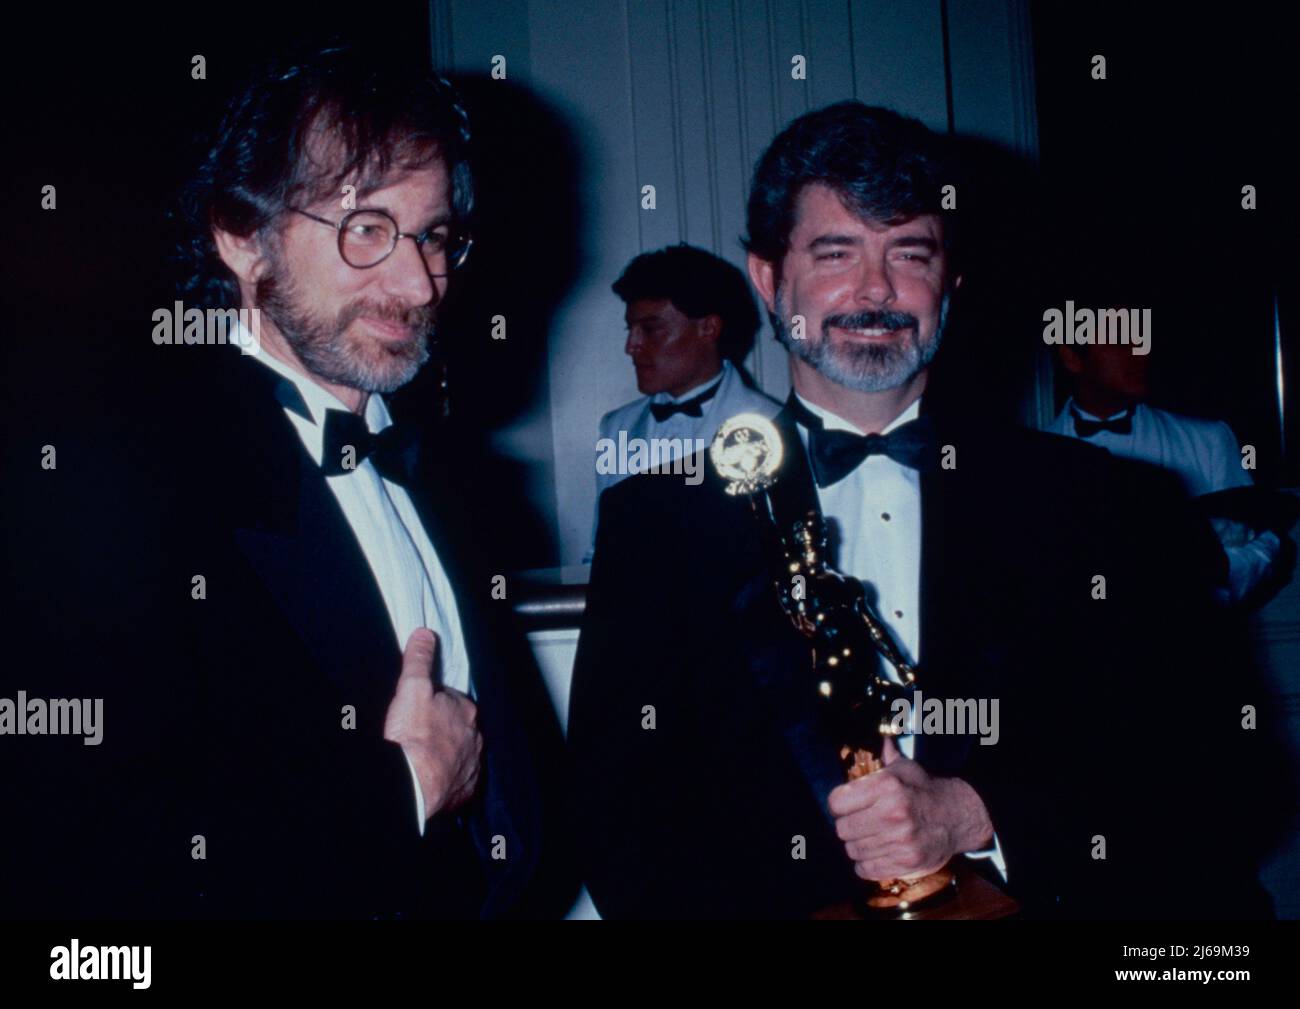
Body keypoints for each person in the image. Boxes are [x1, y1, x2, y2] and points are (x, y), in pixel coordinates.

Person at [568, 101, 1271, 919]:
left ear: (952, 281)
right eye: (837, 252)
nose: (876, 290)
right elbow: (617, 820)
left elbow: (1208, 775)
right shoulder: (657, 522)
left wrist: (978, 812)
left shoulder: (1102, 502)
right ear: (769, 278)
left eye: (910, 253)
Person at [8, 43, 571, 919]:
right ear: (241, 237)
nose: (417, 281)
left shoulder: (443, 472)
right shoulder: (111, 474)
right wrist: (407, 791)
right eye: (366, 228)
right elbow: (75, 844)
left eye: (433, 237)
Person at [1049, 339, 1282, 605]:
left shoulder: (1208, 440)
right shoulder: (1033, 463)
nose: (1141, 352)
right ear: (1071, 358)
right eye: (1119, 342)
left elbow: (1264, 543)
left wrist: (1208, 582)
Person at [587, 245, 778, 560]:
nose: (631, 346)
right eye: (631, 329)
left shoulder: (772, 427)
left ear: (708, 328)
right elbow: (599, 553)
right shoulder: (615, 428)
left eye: (650, 329)